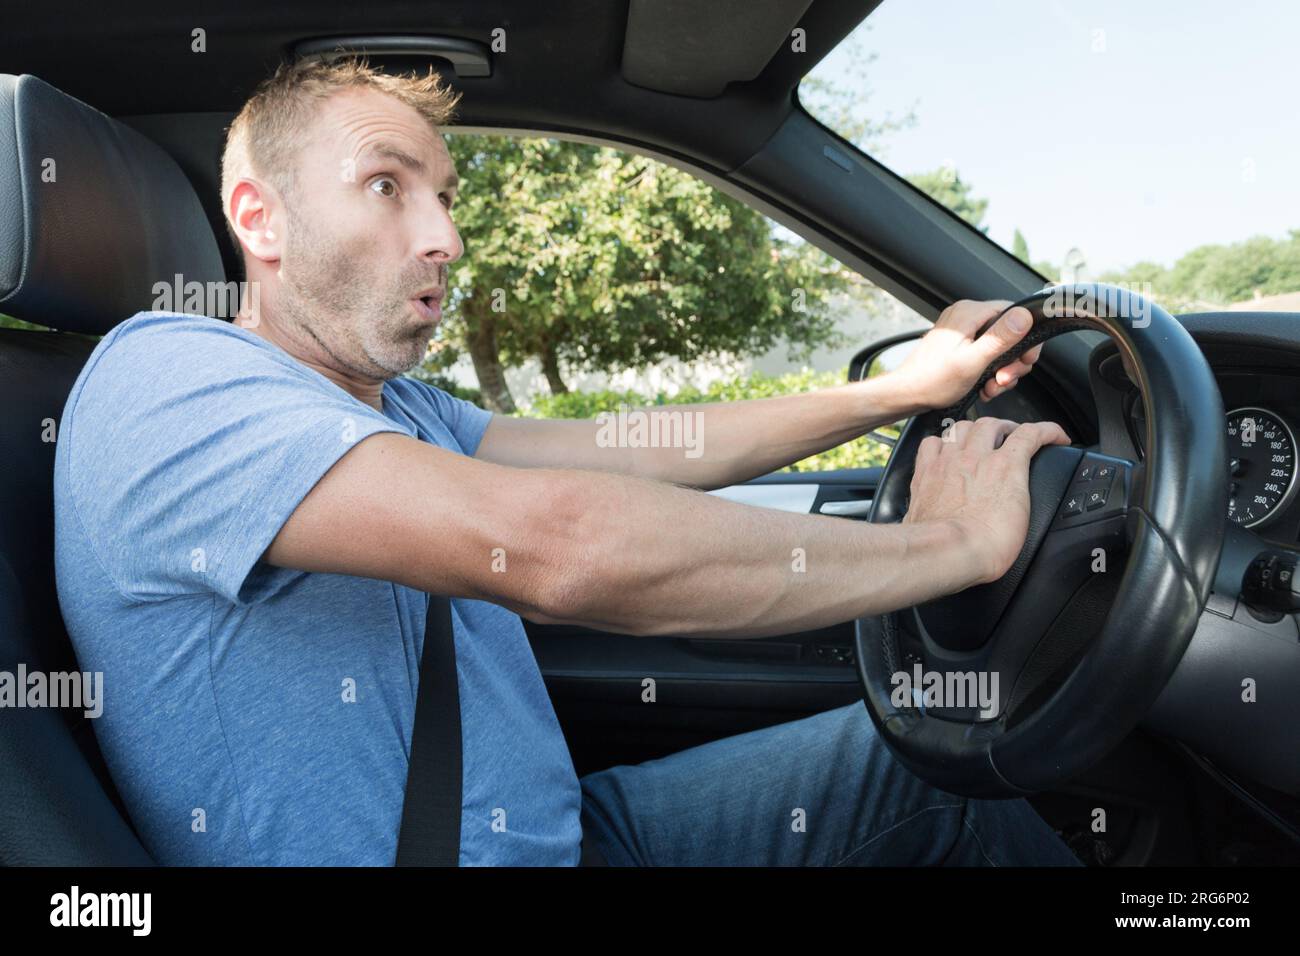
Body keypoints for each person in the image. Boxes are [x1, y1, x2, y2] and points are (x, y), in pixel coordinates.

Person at [52, 56, 1078, 866]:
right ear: (258, 218)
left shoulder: (394, 405)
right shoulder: (168, 381)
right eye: (386, 186)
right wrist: (949, 544)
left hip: (570, 833)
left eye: (446, 196)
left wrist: (903, 386)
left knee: (941, 765)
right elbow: (552, 546)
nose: (446, 234)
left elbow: (644, 453)